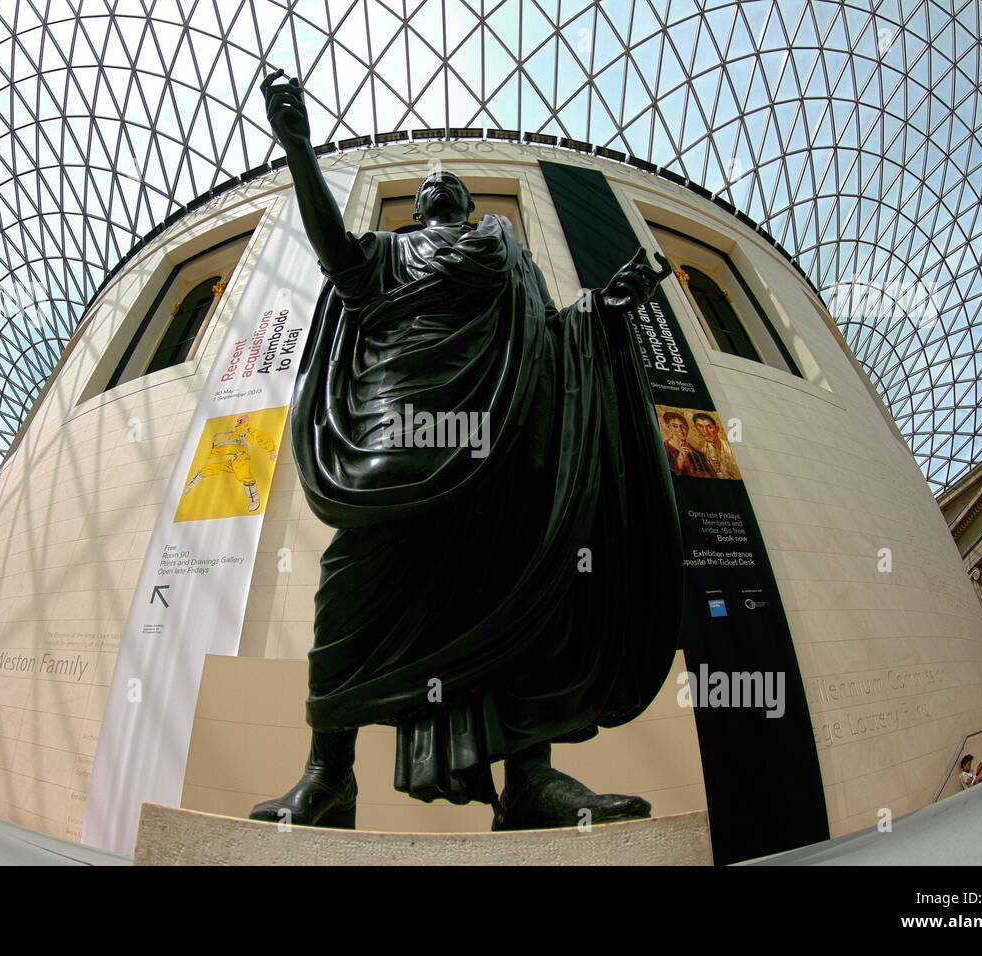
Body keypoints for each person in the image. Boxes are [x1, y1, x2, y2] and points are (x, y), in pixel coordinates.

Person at [249, 69, 681, 831]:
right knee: (351, 587)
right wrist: (299, 151)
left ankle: (532, 781)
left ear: (469, 203)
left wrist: (599, 315)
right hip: (398, 428)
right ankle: (328, 775)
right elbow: (334, 252)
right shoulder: (386, 254)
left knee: (522, 587)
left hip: (505, 430)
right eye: (426, 186)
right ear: (414, 208)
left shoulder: (501, 248)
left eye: (450, 183)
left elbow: (547, 339)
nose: (436, 186)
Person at [181, 414, 278, 511]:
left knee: (243, 475)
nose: (240, 419)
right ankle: (190, 485)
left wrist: (272, 450)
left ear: (247, 420)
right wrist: (211, 452)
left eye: (242, 418)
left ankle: (254, 499)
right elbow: (227, 448)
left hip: (242, 458)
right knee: (210, 468)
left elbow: (262, 438)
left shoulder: (250, 431)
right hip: (233, 460)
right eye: (239, 418)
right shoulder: (233, 433)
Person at [661, 411, 715, 478]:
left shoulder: (697, 454)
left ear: (687, 429)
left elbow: (711, 474)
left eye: (683, 427)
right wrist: (681, 458)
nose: (680, 430)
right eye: (675, 426)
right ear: (668, 427)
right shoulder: (664, 449)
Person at [692, 412, 741, 479]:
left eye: (709, 427)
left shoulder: (730, 446)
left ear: (717, 429)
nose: (705, 431)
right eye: (700, 427)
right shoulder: (700, 453)